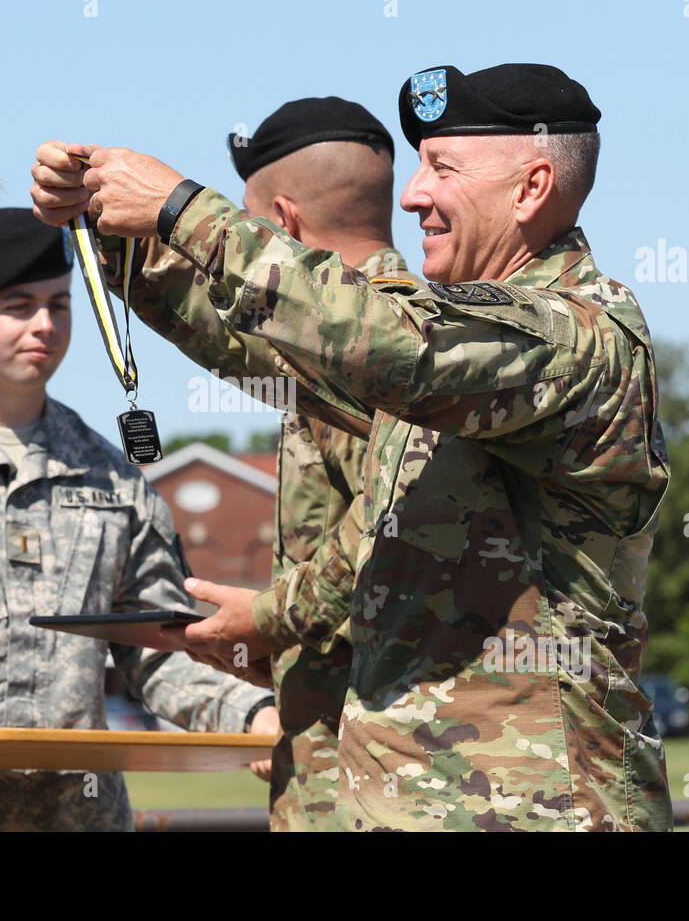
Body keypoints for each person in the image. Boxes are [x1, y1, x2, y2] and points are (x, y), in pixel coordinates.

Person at [30, 62, 674, 831]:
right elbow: (268, 346)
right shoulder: (446, 356)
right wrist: (109, 226)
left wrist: (180, 210)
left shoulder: (578, 336)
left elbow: (398, 348)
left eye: (442, 168)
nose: (412, 195)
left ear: (530, 188)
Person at [0, 206, 278, 832]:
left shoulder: (112, 480)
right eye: (18, 305)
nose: (44, 326)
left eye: (59, 306)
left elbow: (163, 649)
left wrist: (251, 715)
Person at [169, 97, 421, 830]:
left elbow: (389, 552)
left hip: (366, 783)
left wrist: (262, 621)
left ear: (281, 225)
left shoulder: (362, 347)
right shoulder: (418, 332)